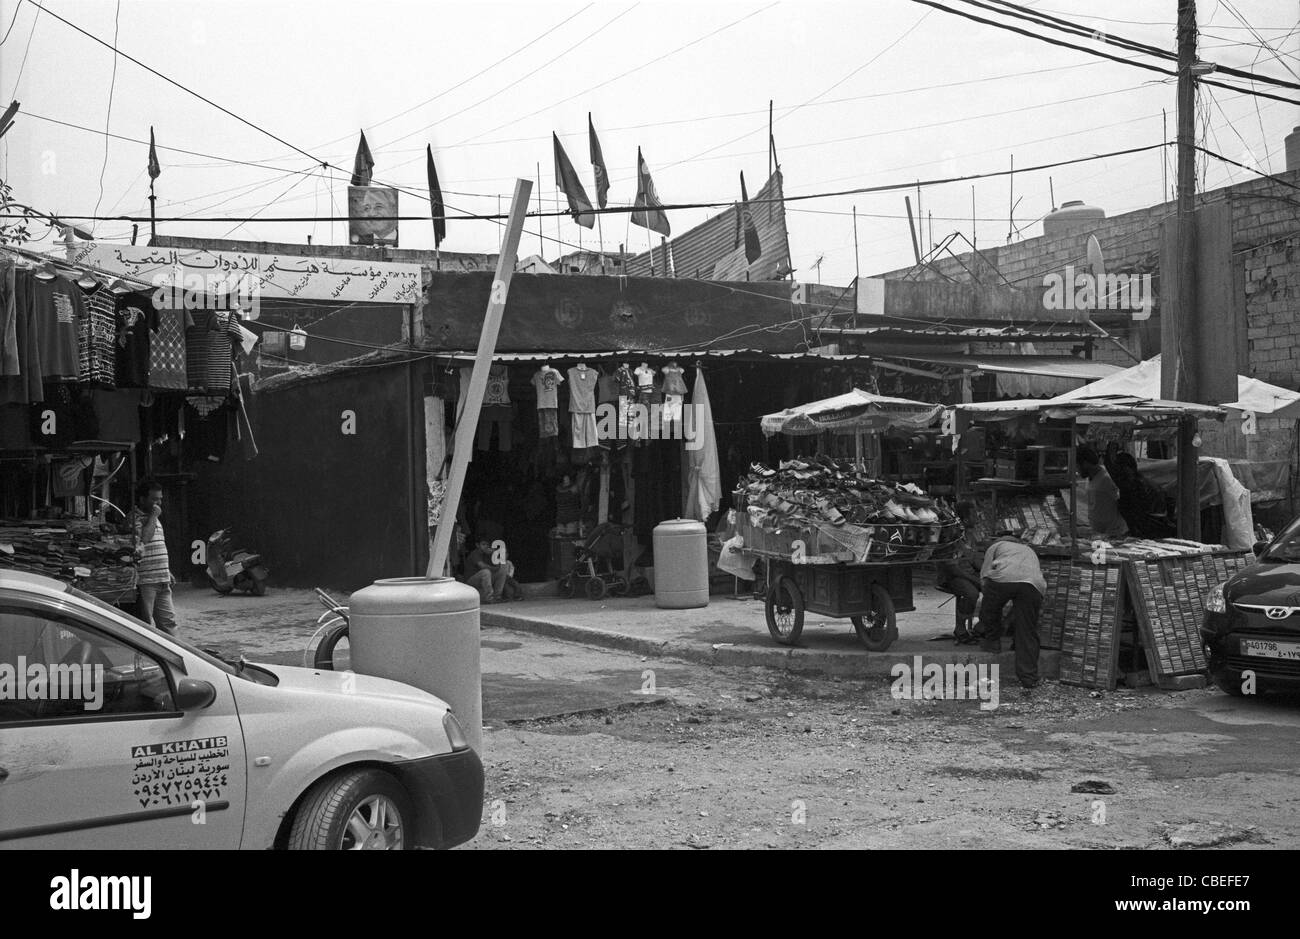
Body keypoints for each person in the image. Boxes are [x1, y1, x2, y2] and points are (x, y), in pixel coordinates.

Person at [978, 531, 1046, 689]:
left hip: (1003, 578)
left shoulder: (995, 546)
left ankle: (993, 641)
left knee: (990, 609)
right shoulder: (1028, 550)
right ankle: (1028, 678)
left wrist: (988, 601)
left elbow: (985, 576)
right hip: (1033, 584)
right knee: (1027, 629)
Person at [128, 478, 177, 635]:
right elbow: (145, 539)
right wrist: (154, 516)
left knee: (169, 624)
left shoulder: (153, 517)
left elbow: (157, 545)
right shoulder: (135, 518)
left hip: (162, 579)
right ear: (142, 499)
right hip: (145, 581)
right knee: (145, 626)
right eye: (154, 499)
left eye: (160, 499)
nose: (158, 503)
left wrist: (166, 571)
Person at [935, 501, 982, 643]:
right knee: (972, 593)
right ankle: (960, 629)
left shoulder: (970, 535)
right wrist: (975, 580)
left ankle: (982, 627)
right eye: (974, 514)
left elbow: (974, 559)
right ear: (966, 519)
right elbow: (953, 568)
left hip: (967, 573)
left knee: (995, 588)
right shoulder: (952, 535)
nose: (977, 517)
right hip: (951, 576)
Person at [1110, 452, 1176, 538]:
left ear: (1130, 469)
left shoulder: (1138, 485)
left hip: (1153, 531)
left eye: (1122, 471)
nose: (1119, 475)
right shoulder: (1136, 482)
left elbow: (1137, 514)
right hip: (1152, 529)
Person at [1077, 445, 1128, 540]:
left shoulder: (1107, 478)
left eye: (1077, 466)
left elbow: (1122, 501)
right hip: (1099, 534)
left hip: (1113, 534)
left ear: (1085, 463)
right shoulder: (1090, 478)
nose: (1077, 470)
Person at [463, 535, 521, 603]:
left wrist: (494, 554)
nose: (486, 546)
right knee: (486, 572)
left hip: (485, 579)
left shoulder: (488, 554)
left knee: (504, 566)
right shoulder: (475, 553)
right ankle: (489, 598)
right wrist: (494, 568)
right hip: (471, 581)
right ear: (477, 545)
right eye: (483, 544)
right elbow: (482, 566)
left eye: (487, 544)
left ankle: (497, 596)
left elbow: (499, 565)